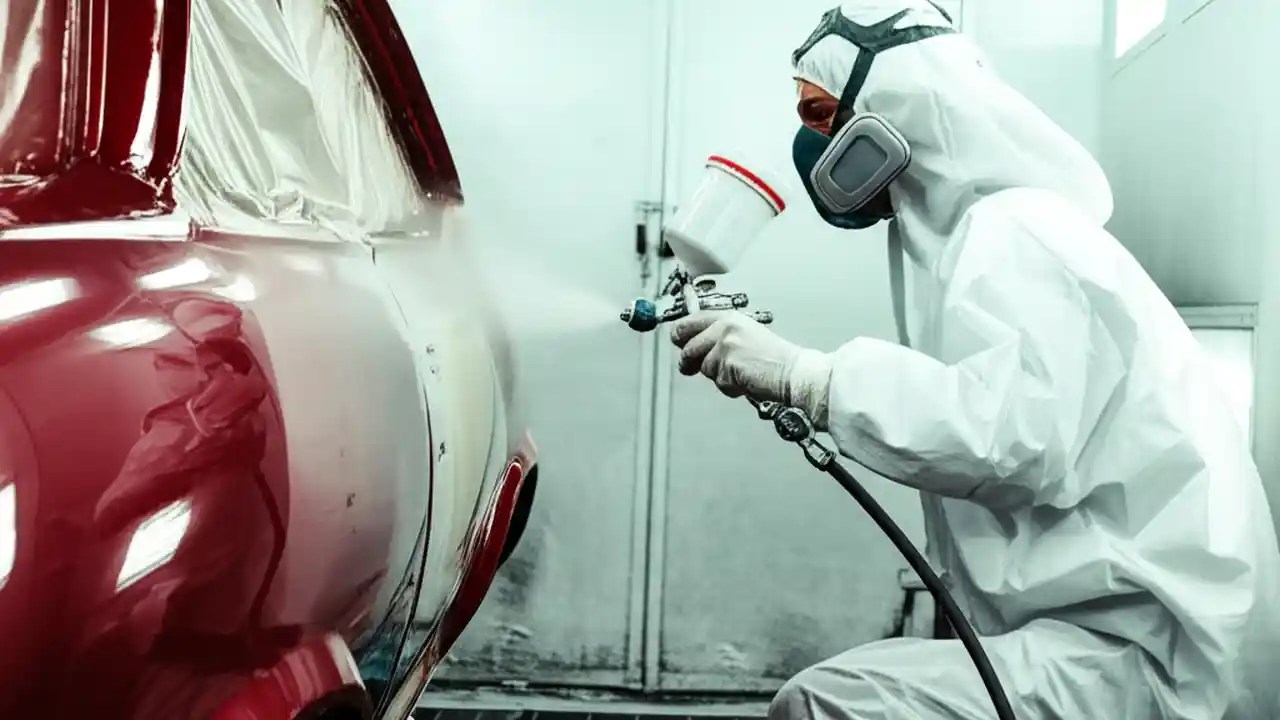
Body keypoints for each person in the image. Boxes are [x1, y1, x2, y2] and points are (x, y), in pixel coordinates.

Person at [670, 2, 1280, 718]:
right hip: (1111, 625)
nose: (808, 143)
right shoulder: (982, 235)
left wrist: (806, 376)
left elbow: (1009, 433)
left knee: (823, 707)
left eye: (818, 113)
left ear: (884, 118)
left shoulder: (1016, 234)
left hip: (1148, 653)